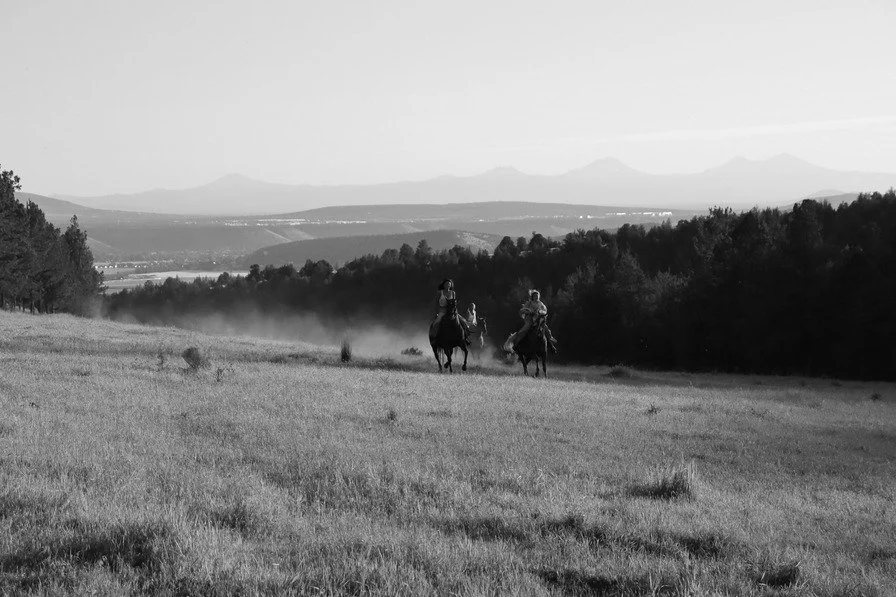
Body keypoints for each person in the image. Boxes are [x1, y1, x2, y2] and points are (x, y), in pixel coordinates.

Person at [430, 278, 472, 345]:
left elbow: (454, 304)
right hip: (442, 311)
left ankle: (465, 338)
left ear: (451, 285)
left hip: (452, 312)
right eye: (446, 284)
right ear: (443, 285)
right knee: (436, 324)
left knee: (464, 322)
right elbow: (436, 304)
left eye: (449, 284)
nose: (448, 285)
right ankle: (434, 339)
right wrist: (436, 313)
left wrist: (456, 313)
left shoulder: (453, 293)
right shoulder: (440, 293)